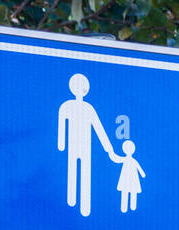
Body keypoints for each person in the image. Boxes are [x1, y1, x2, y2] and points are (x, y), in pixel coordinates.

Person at [57, 73, 122, 218]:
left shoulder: (88, 108)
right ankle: (71, 203)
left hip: (86, 146)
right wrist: (61, 144)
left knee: (85, 173)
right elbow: (61, 125)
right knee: (72, 170)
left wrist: (109, 150)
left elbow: (99, 129)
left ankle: (84, 207)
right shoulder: (66, 106)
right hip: (72, 145)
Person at [116, 139, 145, 212]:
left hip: (133, 179)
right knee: (125, 192)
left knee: (132, 192)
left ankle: (132, 207)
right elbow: (117, 159)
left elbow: (139, 167)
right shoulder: (126, 159)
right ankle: (124, 208)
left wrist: (142, 173)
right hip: (125, 179)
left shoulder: (133, 160)